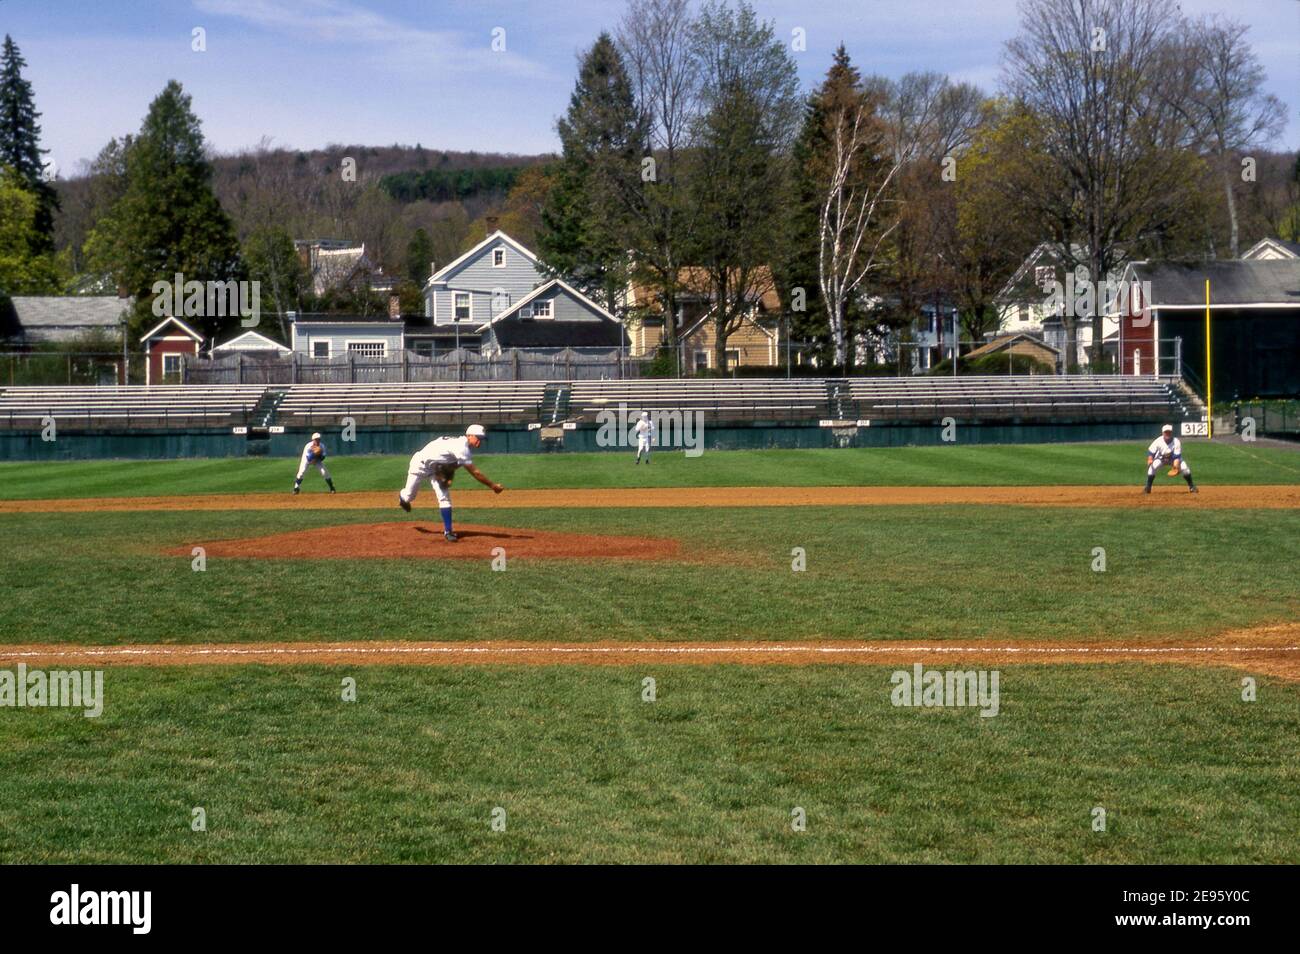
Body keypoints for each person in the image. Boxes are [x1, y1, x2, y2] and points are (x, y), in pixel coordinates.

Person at [397, 424, 504, 541]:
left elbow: (453, 464)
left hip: (436, 470)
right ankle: (402, 497)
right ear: (470, 435)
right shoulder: (461, 447)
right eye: (478, 438)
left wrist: (446, 474)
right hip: (419, 464)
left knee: (444, 498)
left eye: (482, 439)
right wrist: (493, 486)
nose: (479, 442)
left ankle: (448, 531)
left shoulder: (460, 444)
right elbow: (476, 473)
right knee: (409, 496)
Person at [1145, 424, 1197, 494]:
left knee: (1185, 468)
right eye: (1166, 432)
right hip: (1161, 459)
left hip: (1174, 460)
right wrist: (1150, 459)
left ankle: (1192, 487)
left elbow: (1176, 457)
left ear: (1171, 432)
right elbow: (1151, 452)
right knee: (1152, 467)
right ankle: (1148, 488)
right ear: (1163, 433)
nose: (1167, 434)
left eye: (1169, 432)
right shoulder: (1158, 441)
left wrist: (1176, 467)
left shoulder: (1176, 441)